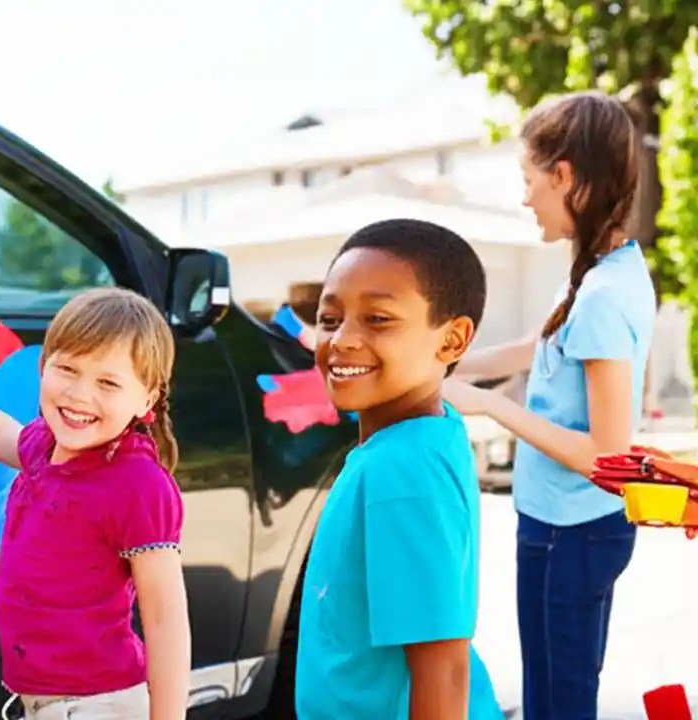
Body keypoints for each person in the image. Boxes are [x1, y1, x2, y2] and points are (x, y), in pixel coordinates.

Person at [0, 286, 190, 720]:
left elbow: (166, 620)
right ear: (43, 368)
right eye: (68, 369)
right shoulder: (47, 447)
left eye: (107, 382)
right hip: (46, 703)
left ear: (147, 399)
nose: (80, 395)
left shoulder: (138, 484)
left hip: (99, 705)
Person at [444, 90, 655, 719]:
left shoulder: (604, 295)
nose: (524, 196)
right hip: (560, 527)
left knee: (558, 706)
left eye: (528, 179)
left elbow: (608, 457)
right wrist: (442, 366)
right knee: (549, 697)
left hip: (575, 534)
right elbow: (534, 350)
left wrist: (490, 409)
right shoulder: (597, 273)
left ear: (565, 177)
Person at [296, 218, 502, 720]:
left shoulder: (401, 469)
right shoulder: (425, 436)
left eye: (378, 319)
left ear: (451, 341)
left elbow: (443, 670)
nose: (342, 340)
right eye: (330, 319)